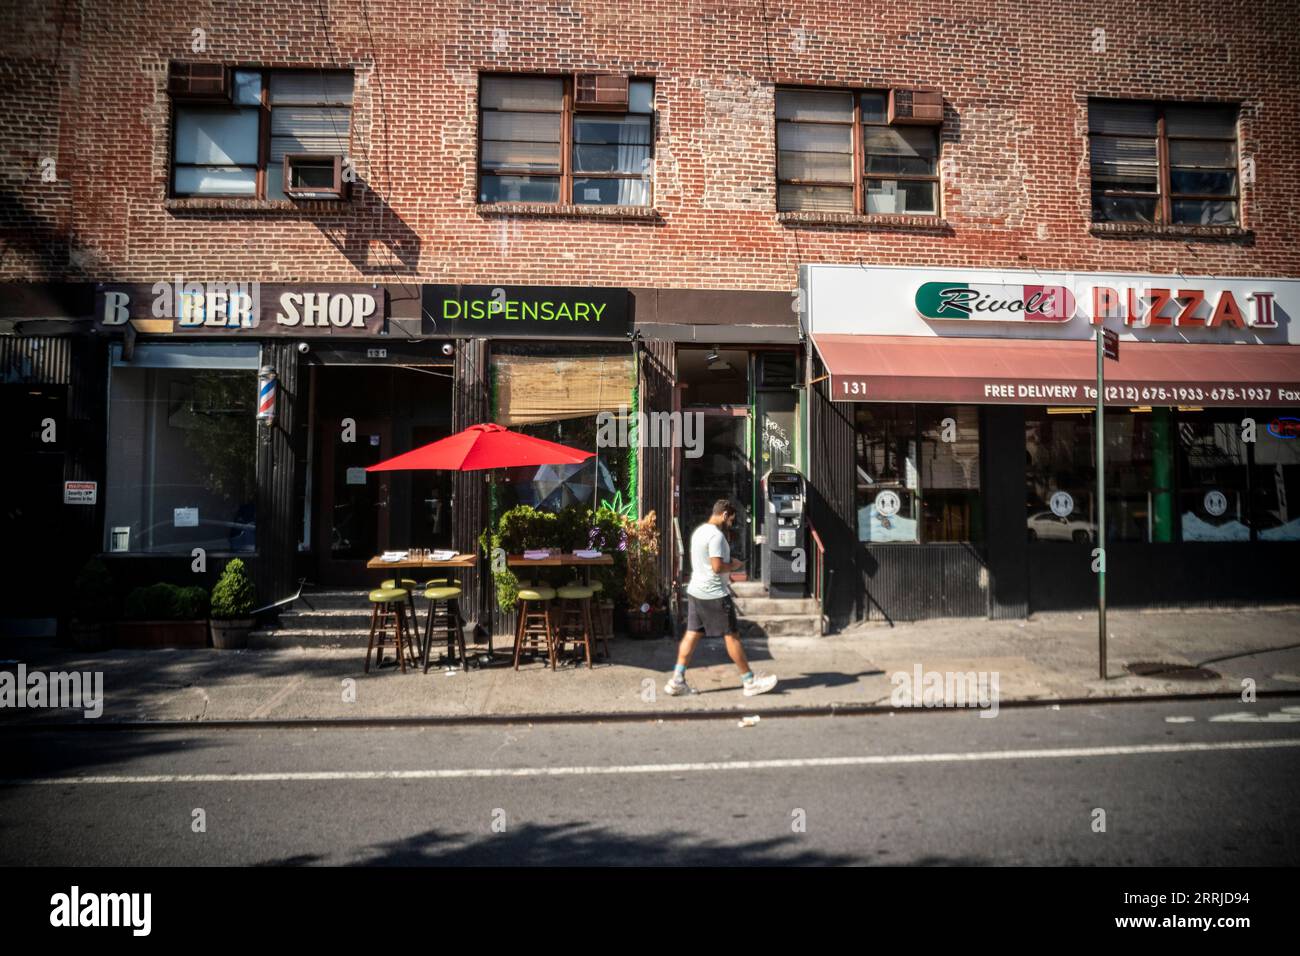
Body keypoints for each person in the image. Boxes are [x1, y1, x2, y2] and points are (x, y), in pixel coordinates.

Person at [665, 498, 779, 698]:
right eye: (731, 520)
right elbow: (717, 567)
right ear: (725, 515)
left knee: (691, 634)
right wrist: (734, 566)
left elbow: (705, 565)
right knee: (732, 636)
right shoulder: (716, 536)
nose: (731, 524)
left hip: (696, 591)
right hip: (714, 594)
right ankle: (749, 682)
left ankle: (677, 680)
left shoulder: (699, 532)